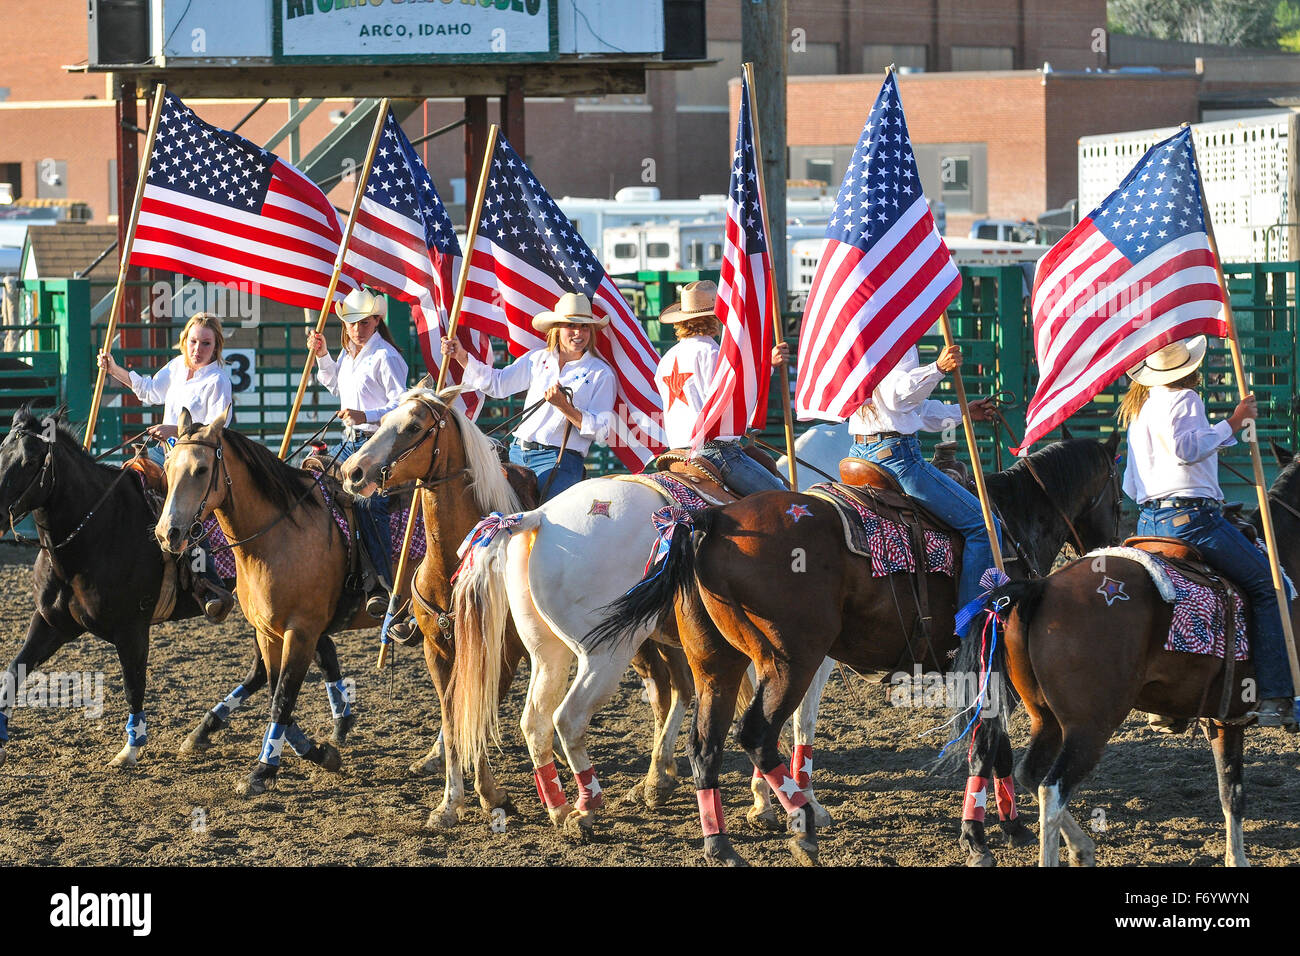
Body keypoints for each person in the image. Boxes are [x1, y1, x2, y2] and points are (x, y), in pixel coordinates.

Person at [1120, 336, 1296, 730]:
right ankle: (1274, 696)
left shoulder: (1142, 409)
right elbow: (1186, 449)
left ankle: (1166, 697)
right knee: (1269, 587)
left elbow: (1131, 484)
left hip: (1148, 521)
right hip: (1194, 520)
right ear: (1189, 370)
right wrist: (1232, 423)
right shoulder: (1186, 400)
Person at [846, 342, 999, 627]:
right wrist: (937, 369)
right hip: (898, 458)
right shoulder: (899, 334)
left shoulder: (869, 338)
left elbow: (911, 408)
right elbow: (898, 400)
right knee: (985, 526)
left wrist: (962, 411)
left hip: (860, 454)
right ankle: (970, 628)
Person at [97, 311, 235, 623]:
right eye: (193, 341)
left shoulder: (217, 380)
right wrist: (114, 369)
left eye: (206, 344)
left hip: (193, 463)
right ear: (184, 341)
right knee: (127, 481)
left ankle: (208, 583)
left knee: (189, 513)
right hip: (165, 454)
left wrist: (175, 431)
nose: (197, 349)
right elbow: (147, 391)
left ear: (216, 347)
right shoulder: (176, 367)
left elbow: (218, 428)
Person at [441, 291, 616, 502]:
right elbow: (498, 384)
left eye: (584, 327)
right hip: (517, 453)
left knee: (553, 523)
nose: (578, 333)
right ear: (557, 329)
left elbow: (601, 430)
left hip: (560, 460)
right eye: (571, 326)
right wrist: (461, 356)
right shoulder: (537, 359)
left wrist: (565, 407)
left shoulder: (601, 373)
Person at [306, 287, 409, 617]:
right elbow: (336, 385)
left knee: (369, 504)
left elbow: (402, 404)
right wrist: (322, 355)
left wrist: (368, 416)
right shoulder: (349, 356)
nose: (356, 328)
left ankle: (381, 582)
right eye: (352, 322)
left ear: (377, 321)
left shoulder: (386, 357)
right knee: (307, 479)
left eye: (364, 322)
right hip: (349, 441)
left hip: (377, 445)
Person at [655, 279, 790, 494]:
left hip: (677, 454)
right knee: (788, 503)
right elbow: (733, 397)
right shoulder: (713, 354)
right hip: (715, 453)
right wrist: (768, 367)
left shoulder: (666, 359)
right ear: (715, 318)